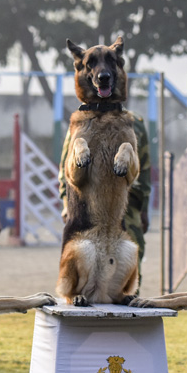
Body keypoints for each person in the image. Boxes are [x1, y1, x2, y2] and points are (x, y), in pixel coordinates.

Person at [58, 110, 151, 286]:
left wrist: (144, 208)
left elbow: (144, 166)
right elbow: (66, 167)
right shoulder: (82, 121)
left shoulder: (135, 122)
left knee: (130, 256)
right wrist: (66, 203)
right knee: (85, 256)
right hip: (91, 203)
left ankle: (127, 300)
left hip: (127, 205)